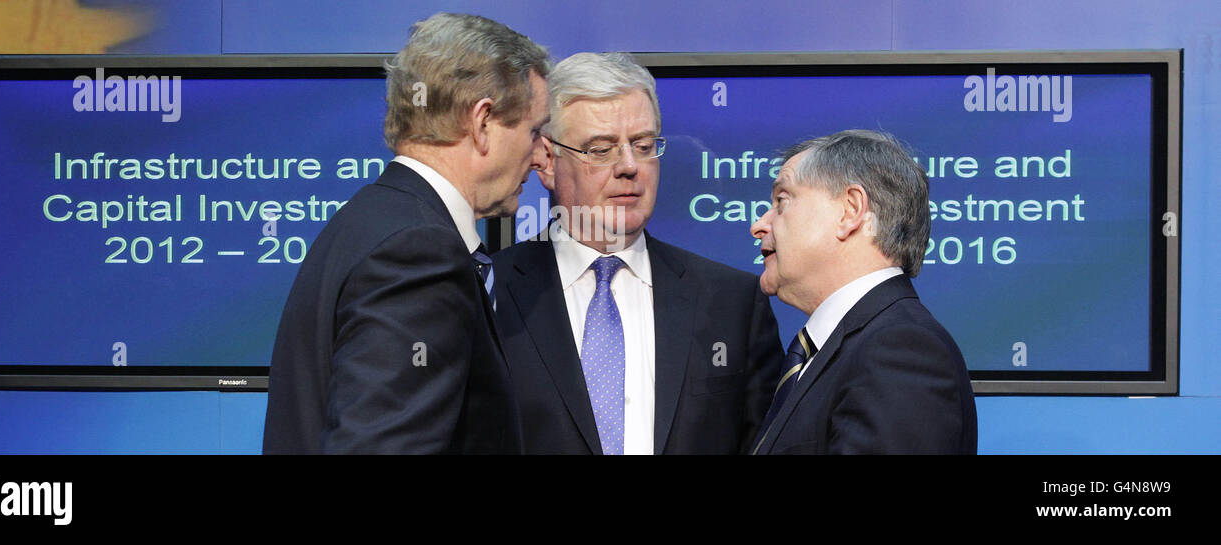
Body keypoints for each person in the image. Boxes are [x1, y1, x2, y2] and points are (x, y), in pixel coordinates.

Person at [263, 13, 550, 454]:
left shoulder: (368, 221)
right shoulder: (418, 250)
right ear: (482, 121)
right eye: (533, 131)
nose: (540, 156)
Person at [491, 53, 783, 455]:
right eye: (601, 149)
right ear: (546, 160)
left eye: (643, 146)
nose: (629, 166)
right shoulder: (487, 294)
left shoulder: (732, 302)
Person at [748, 129, 977, 454]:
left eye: (782, 202)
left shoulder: (900, 349)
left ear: (850, 210)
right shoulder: (839, 349)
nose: (759, 224)